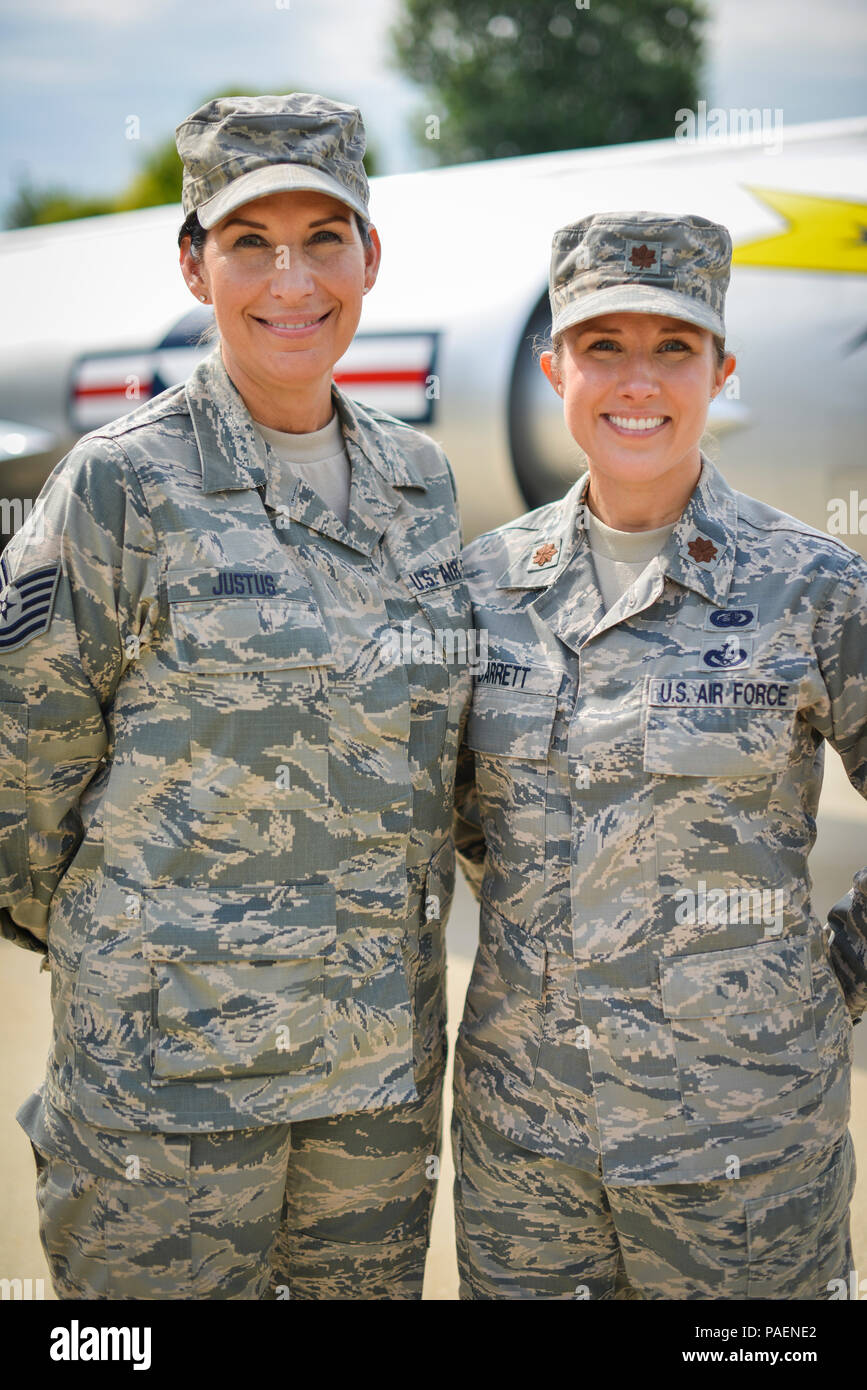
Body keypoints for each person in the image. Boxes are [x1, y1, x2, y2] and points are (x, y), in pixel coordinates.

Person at [0, 93, 473, 1300]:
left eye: (325, 236)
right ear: (193, 262)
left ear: (371, 257)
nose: (291, 279)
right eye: (250, 241)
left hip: (372, 1082)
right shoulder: (121, 484)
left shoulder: (418, 482)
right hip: (167, 1095)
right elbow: (20, 760)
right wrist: (134, 952)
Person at [451, 210, 867, 1299]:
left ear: (721, 370)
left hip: (748, 1146)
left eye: (674, 348)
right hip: (527, 1155)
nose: (639, 381)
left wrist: (835, 979)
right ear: (555, 367)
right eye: (604, 346)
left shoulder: (815, 587)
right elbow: (457, 824)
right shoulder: (479, 593)